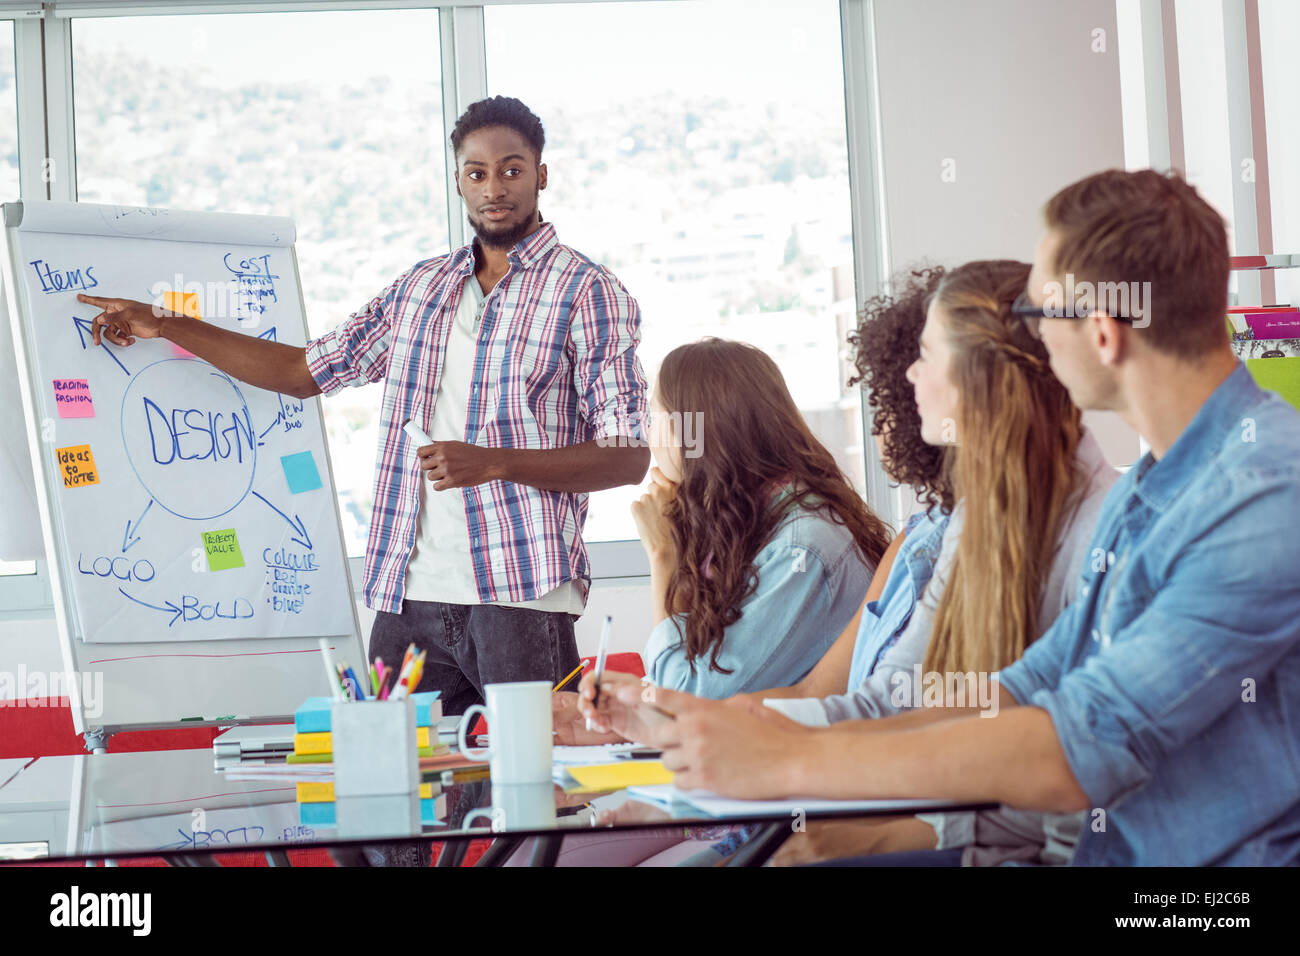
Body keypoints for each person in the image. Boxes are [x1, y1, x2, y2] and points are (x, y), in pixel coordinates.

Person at [585, 169, 1300, 867]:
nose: (1033, 337)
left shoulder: (1263, 496)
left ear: (1105, 332)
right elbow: (1015, 692)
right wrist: (697, 726)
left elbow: (1082, 743)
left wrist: (794, 760)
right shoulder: (1153, 490)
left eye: (1041, 310)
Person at [80, 95, 650, 716]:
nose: (494, 187)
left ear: (542, 174)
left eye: (512, 169)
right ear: (457, 180)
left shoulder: (588, 291)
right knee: (398, 792)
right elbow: (302, 371)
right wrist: (165, 323)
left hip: (522, 594)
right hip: (409, 598)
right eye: (476, 172)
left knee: (540, 789)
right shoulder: (421, 289)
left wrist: (494, 462)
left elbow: (627, 456)